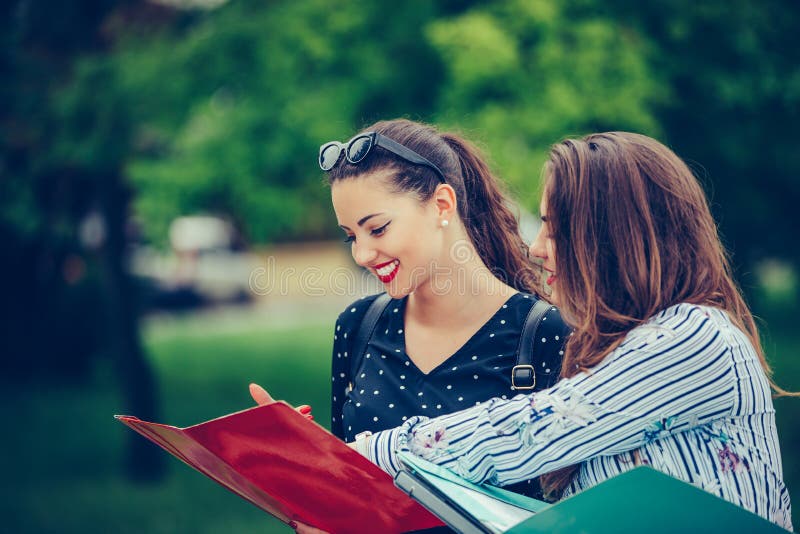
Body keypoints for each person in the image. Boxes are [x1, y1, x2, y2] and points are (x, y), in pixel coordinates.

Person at [355, 132, 794, 530]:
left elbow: (525, 432)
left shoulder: (694, 340)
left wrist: (367, 455)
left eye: (552, 226)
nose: (536, 248)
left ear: (609, 236)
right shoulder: (610, 348)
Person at [253, 118, 570, 500]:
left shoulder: (542, 333)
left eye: (378, 229)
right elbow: (350, 495)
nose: (362, 254)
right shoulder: (358, 326)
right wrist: (311, 471)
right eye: (351, 236)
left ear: (441, 205)